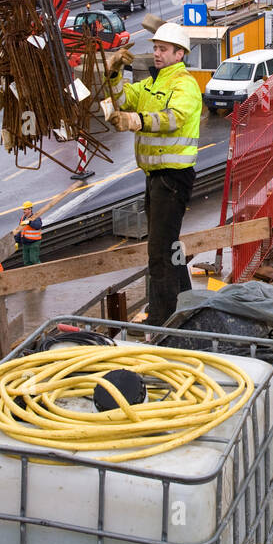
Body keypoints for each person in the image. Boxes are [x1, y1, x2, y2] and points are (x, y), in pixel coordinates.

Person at [106, 22, 203, 325]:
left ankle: (161, 319)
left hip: (172, 178)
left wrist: (135, 121)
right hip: (157, 178)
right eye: (155, 48)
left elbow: (173, 118)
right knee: (169, 245)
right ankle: (183, 302)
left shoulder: (184, 85)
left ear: (179, 54)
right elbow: (122, 100)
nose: (156, 53)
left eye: (163, 49)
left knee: (159, 251)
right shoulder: (153, 84)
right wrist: (114, 73)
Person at [18, 202, 43, 266]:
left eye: (25, 209)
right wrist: (17, 240)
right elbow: (19, 229)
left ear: (30, 209)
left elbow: (38, 226)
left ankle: (41, 271)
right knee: (26, 261)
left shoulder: (35, 217)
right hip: (25, 243)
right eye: (23, 209)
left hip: (34, 242)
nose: (24, 211)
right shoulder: (22, 218)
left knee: (34, 259)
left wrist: (29, 222)